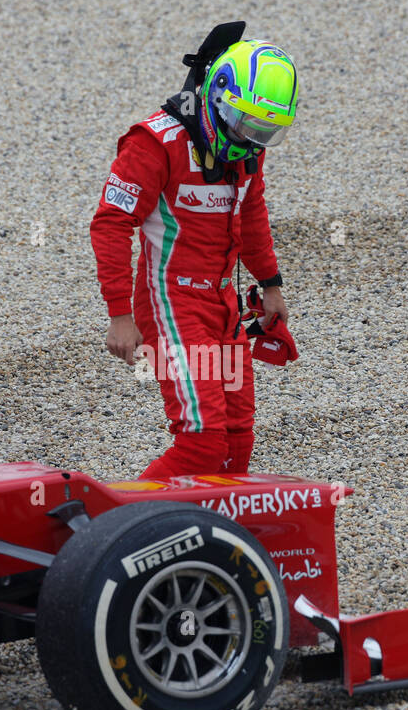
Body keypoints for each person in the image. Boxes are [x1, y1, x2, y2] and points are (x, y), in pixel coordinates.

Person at [91, 23, 298, 479]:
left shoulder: (247, 149)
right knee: (202, 442)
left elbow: (251, 211)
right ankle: (114, 533)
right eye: (248, 124)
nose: (254, 140)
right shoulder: (153, 143)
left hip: (223, 304)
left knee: (237, 441)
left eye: (267, 131)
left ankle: (214, 539)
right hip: (170, 302)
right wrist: (119, 315)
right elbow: (110, 222)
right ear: (219, 99)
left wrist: (270, 284)